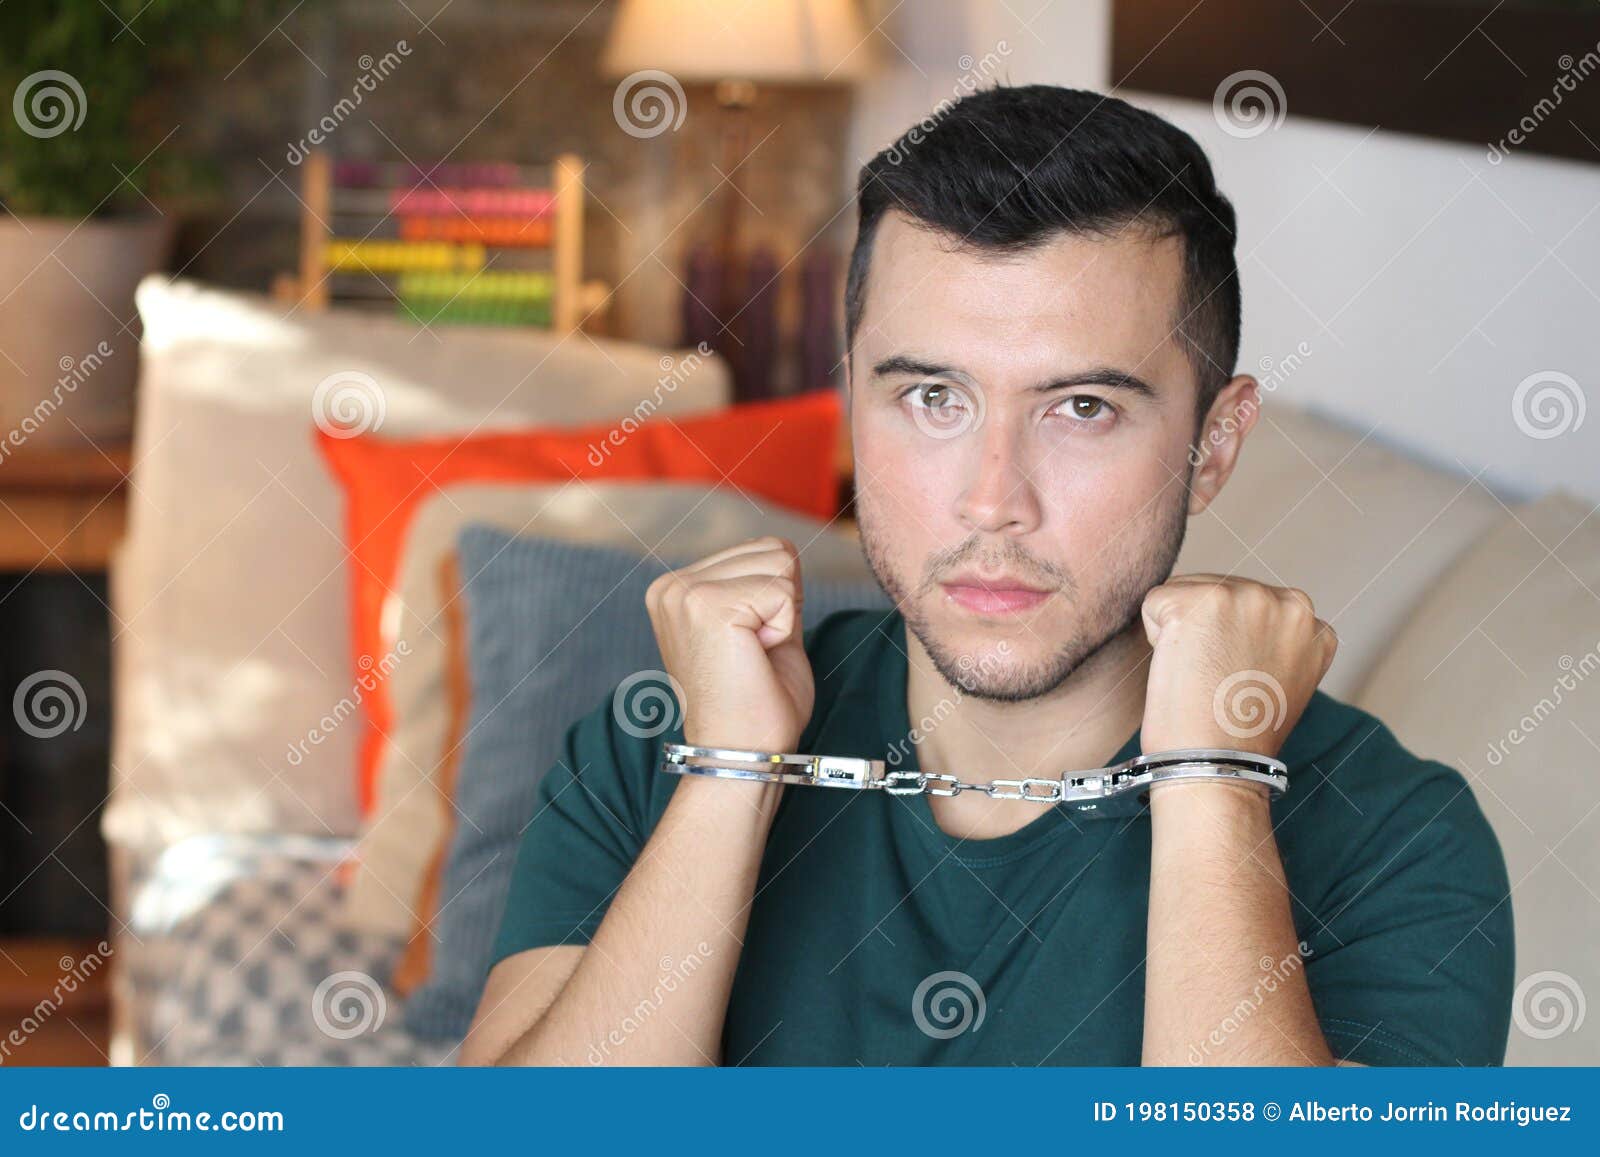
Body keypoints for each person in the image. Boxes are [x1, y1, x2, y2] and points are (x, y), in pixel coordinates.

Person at [461, 84, 1513, 1067]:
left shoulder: (1394, 837)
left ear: (1215, 442)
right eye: (931, 398)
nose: (992, 499)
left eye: (1083, 408)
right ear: (853, 406)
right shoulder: (660, 738)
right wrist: (725, 781)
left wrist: (1213, 787)